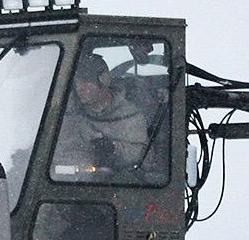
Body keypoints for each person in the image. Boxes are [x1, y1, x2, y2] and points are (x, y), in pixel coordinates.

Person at [52, 49, 172, 182]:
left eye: (86, 82)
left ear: (103, 81)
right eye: (77, 82)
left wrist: (114, 148)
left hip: (117, 189)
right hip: (73, 186)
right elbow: (57, 154)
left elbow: (145, 156)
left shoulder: (129, 116)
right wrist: (88, 160)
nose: (80, 87)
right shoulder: (71, 116)